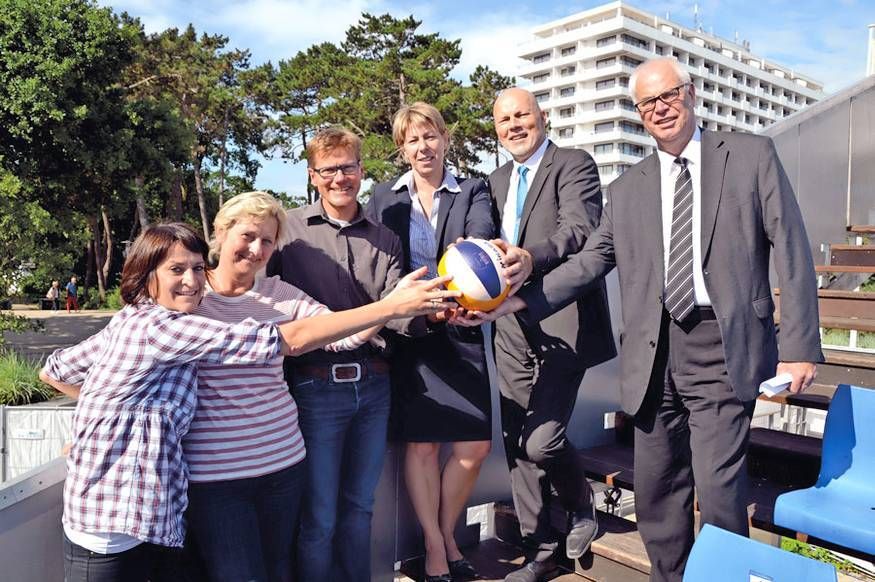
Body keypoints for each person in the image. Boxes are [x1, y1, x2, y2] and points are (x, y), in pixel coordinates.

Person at [474, 58, 823, 582]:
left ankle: (722, 576)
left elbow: (791, 247)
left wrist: (798, 346)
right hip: (651, 349)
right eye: (647, 103)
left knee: (718, 487)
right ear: (639, 114)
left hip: (721, 345)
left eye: (669, 95)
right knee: (658, 490)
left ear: (692, 93)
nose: (660, 108)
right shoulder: (629, 186)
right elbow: (593, 260)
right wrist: (522, 302)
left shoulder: (750, 155)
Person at [39, 222, 454, 582]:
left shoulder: (135, 320)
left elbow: (55, 369)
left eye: (198, 269)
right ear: (146, 275)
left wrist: (106, 422)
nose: (191, 280)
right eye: (176, 270)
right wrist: (390, 306)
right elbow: (288, 340)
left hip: (154, 520)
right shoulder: (158, 328)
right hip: (110, 527)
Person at [185, 191, 408, 582]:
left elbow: (341, 336)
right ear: (220, 231)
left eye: (267, 241)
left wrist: (393, 304)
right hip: (215, 480)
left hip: (282, 466)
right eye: (248, 236)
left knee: (279, 569)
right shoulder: (188, 293)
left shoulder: (279, 295)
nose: (256, 249)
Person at [267, 127, 420, 582]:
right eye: (328, 169)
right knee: (319, 518)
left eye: (348, 167)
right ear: (313, 175)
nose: (340, 178)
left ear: (361, 170)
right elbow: (260, 296)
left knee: (359, 508)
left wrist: (434, 313)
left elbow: (399, 312)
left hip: (375, 388)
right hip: (313, 387)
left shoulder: (386, 237)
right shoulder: (287, 232)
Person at [484, 87, 616, 582]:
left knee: (541, 442)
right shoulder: (494, 181)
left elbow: (581, 230)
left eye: (522, 115)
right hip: (509, 326)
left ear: (542, 117)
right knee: (516, 441)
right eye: (504, 120)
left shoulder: (573, 163)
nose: (514, 125)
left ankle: (582, 506)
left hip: (564, 320)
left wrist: (530, 256)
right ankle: (539, 551)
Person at [365, 102, 494, 582]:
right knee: (420, 447)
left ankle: (441, 533)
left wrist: (459, 295)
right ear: (402, 147)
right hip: (413, 336)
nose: (423, 146)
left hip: (463, 328)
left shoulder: (472, 189)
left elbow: (477, 242)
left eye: (430, 136)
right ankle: (438, 547)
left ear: (445, 139)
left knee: (474, 446)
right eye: (412, 139)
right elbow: (377, 259)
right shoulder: (385, 198)